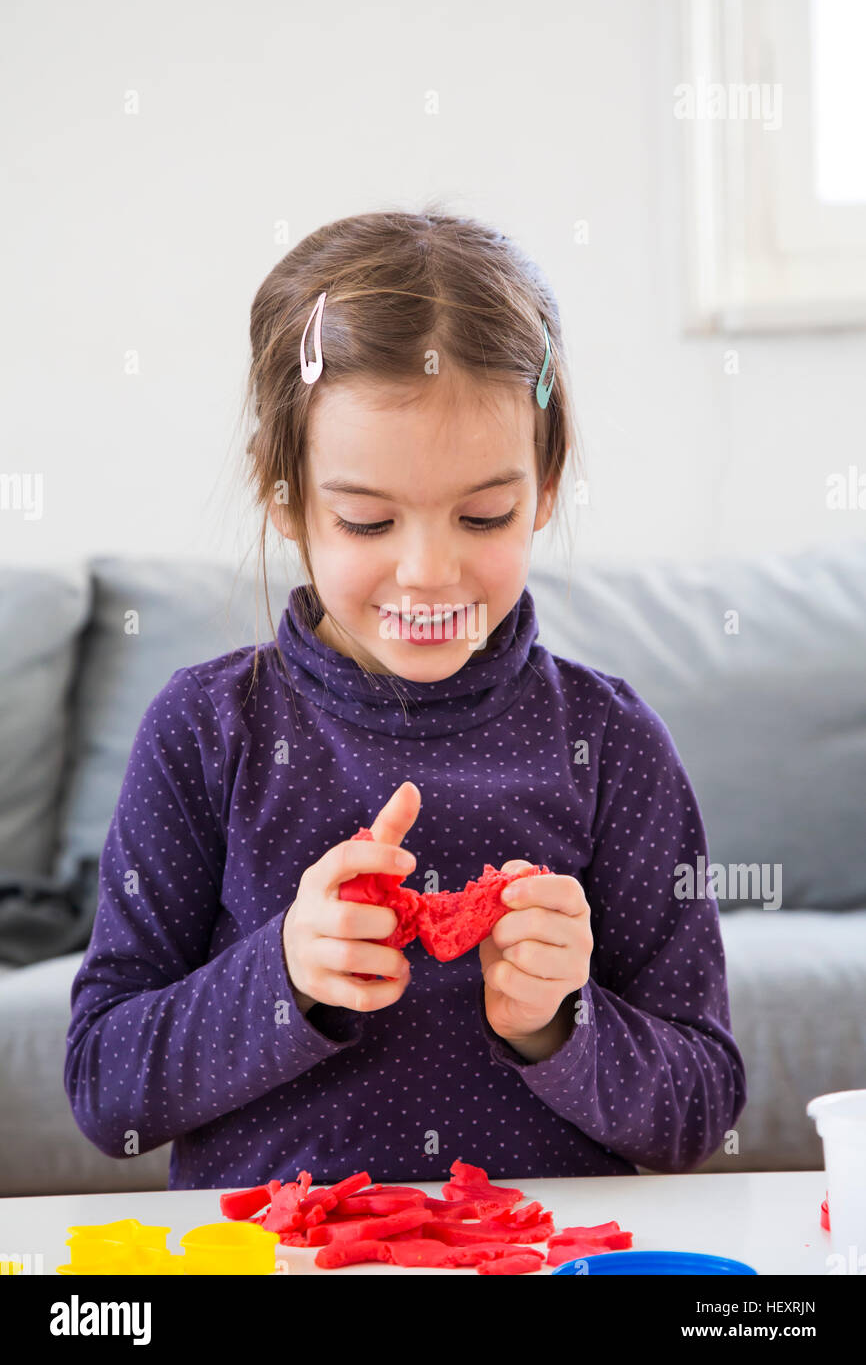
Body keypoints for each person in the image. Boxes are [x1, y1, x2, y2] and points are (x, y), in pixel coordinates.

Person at [65, 207, 746, 1189]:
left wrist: (560, 1021)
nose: (426, 572)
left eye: (483, 513)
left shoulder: (609, 740)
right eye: (366, 519)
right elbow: (103, 1089)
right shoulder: (204, 730)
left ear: (545, 487)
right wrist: (282, 977)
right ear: (285, 493)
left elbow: (700, 1112)